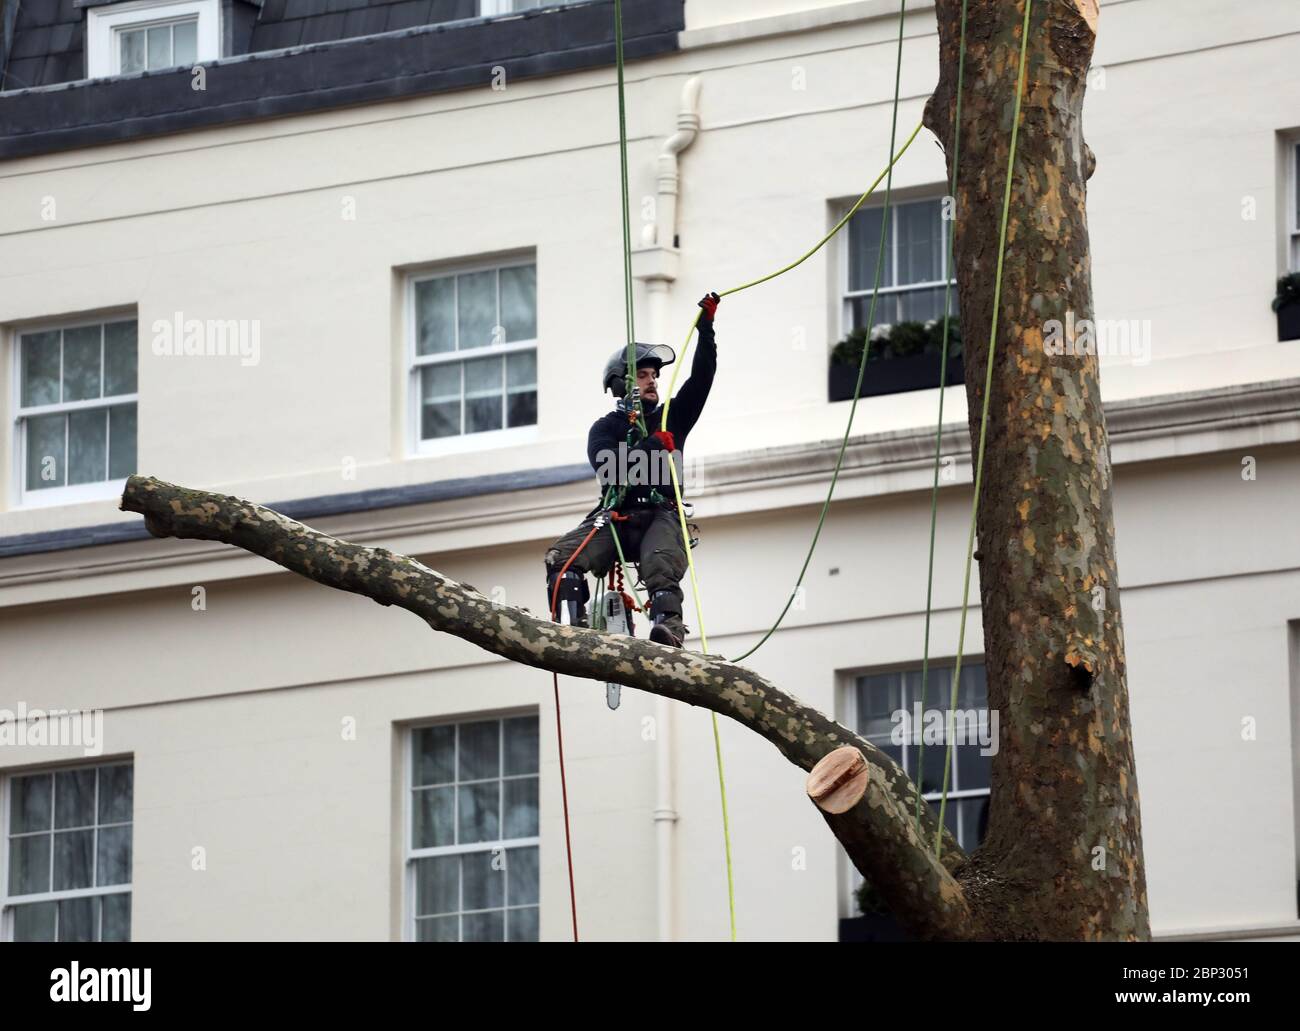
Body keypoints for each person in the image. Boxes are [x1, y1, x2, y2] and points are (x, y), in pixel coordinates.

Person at [544, 292, 721, 647]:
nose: (653, 380)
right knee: (562, 558)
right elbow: (609, 470)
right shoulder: (605, 429)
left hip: (661, 513)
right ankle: (570, 627)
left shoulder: (672, 416)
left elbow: (701, 380)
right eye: (642, 375)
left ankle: (668, 629)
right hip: (618, 514)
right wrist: (652, 445)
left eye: (654, 375)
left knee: (660, 562)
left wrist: (706, 331)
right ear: (622, 383)